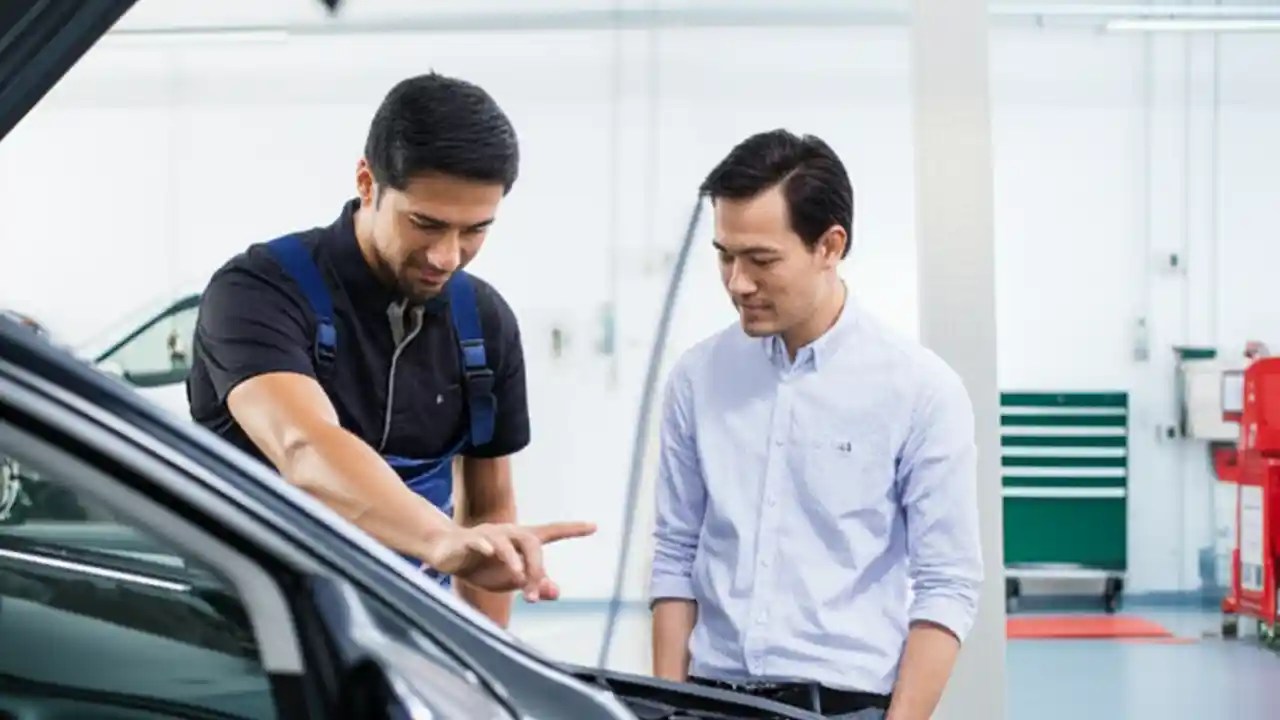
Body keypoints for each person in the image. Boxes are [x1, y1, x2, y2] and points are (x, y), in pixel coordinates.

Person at [186, 72, 595, 626]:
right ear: (366, 182)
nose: (447, 256)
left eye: (475, 230)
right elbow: (305, 446)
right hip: (253, 637)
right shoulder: (257, 291)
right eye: (426, 224)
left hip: (405, 639)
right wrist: (440, 540)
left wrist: (485, 676)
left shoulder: (485, 323)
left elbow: (489, 510)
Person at [648, 129, 983, 719]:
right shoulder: (697, 378)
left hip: (845, 703)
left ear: (830, 246)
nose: (737, 283)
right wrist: (668, 709)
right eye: (725, 255)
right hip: (708, 700)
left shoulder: (920, 390)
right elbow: (676, 553)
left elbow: (947, 584)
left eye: (761, 260)